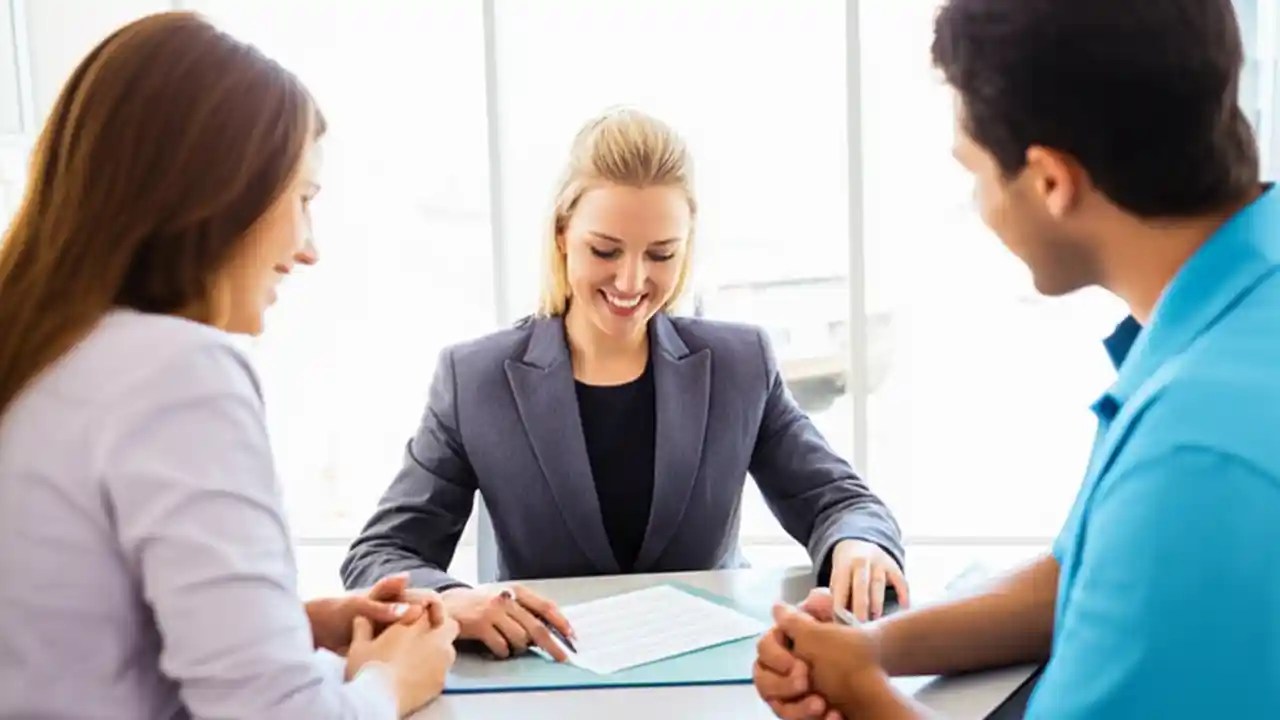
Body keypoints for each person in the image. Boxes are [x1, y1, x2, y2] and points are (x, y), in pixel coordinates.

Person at [753, 0, 1280, 718]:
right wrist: (873, 645)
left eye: (975, 173)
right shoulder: (1240, 307)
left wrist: (866, 701)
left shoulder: (1194, 451)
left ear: (1051, 182)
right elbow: (1083, 577)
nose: (979, 203)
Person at [0, 12, 457, 719]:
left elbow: (70, 640)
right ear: (220, 189)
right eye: (303, 199)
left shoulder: (39, 355)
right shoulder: (176, 372)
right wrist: (394, 680)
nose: (309, 248)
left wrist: (296, 624)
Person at [341, 108, 907, 663]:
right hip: (542, 685)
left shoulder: (740, 364)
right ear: (563, 236)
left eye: (662, 254)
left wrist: (859, 543)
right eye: (605, 250)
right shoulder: (476, 380)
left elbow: (840, 501)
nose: (632, 281)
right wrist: (453, 601)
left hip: (708, 682)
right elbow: (383, 552)